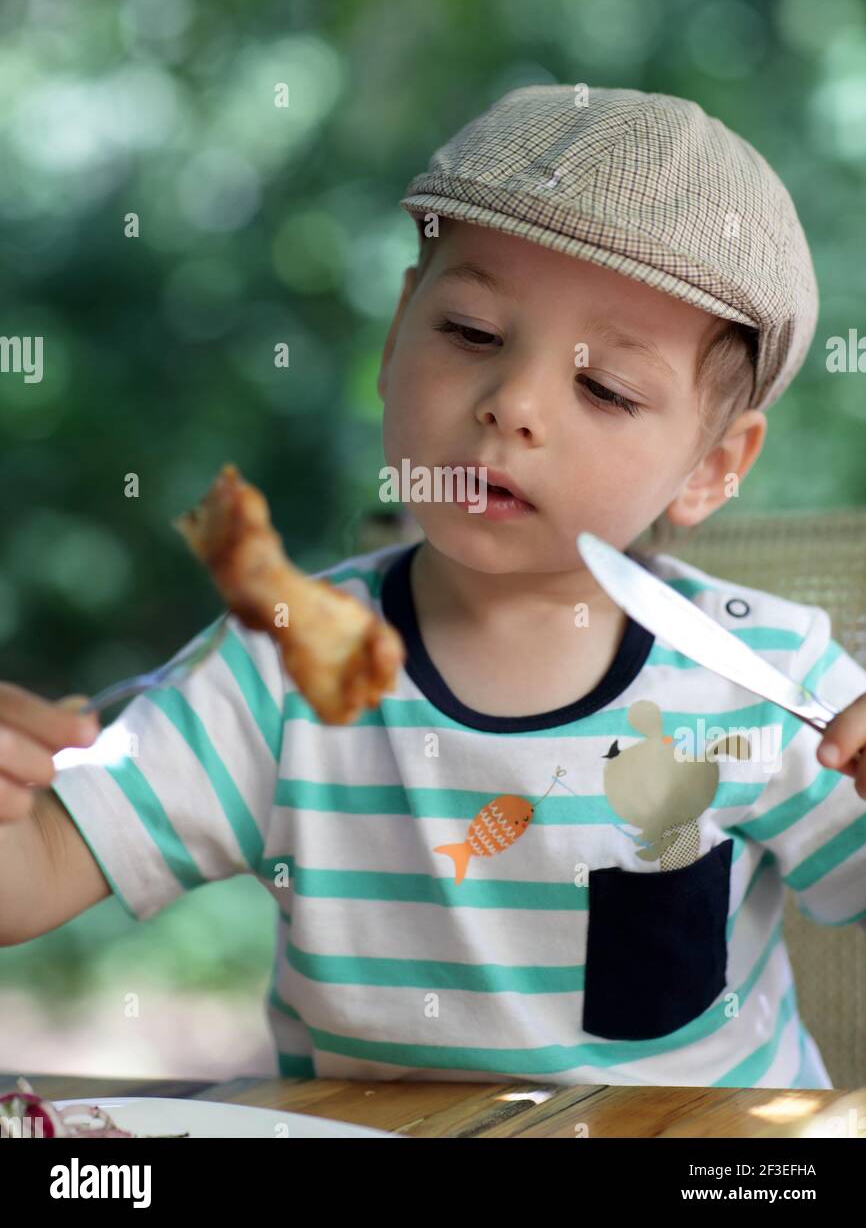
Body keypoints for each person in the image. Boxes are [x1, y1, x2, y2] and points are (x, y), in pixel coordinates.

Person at [2, 85, 865, 1089]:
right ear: (393, 336)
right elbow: (34, 878)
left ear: (714, 465)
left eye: (603, 388)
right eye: (468, 331)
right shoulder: (283, 663)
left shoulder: (772, 682)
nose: (513, 404)